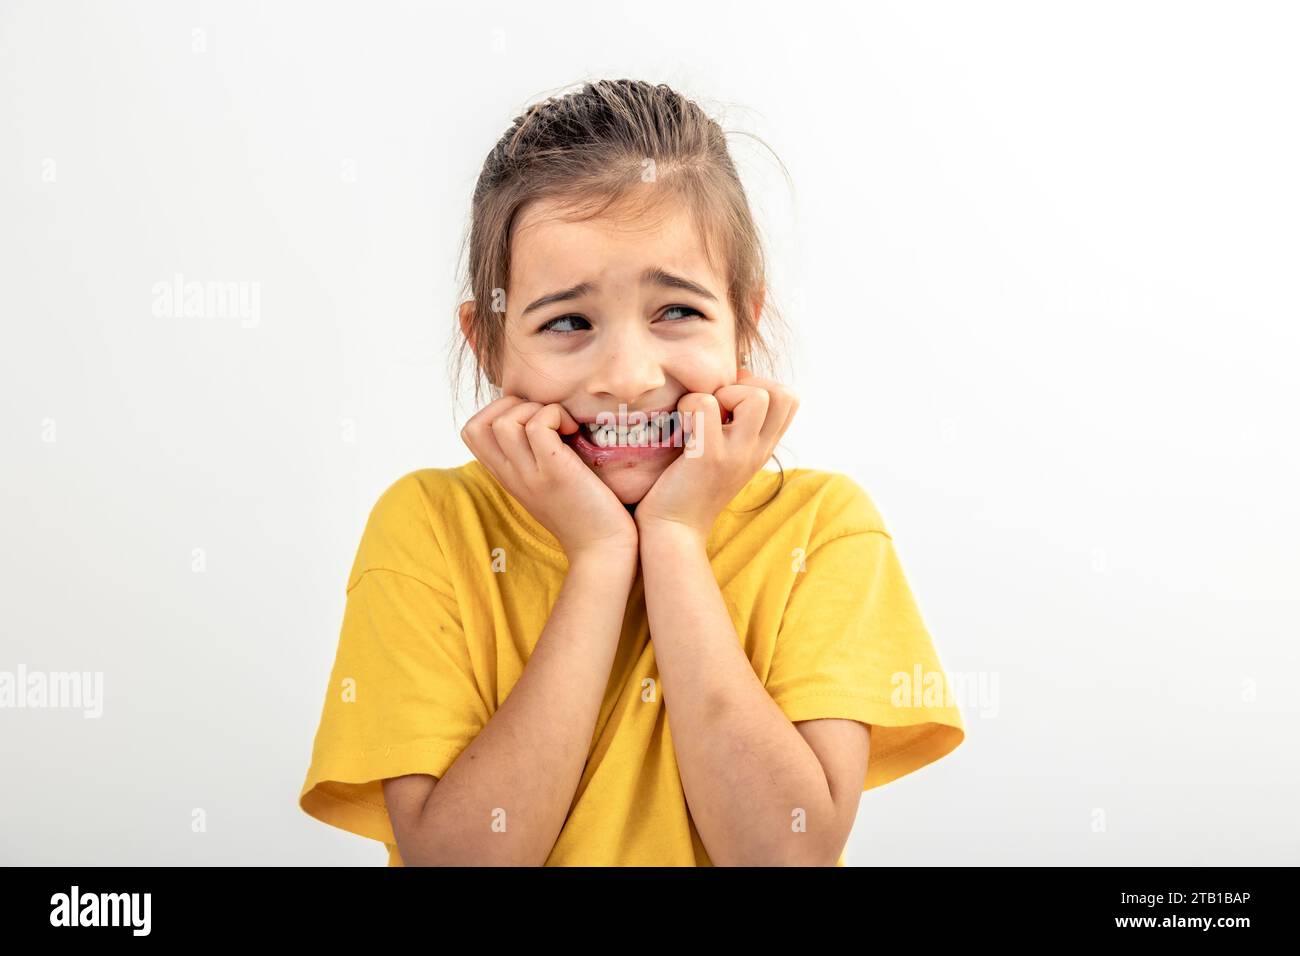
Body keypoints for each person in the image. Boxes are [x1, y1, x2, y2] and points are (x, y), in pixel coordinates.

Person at [298, 78, 965, 866]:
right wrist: (600, 556)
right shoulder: (429, 528)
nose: (626, 374)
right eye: (568, 322)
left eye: (676, 311)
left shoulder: (822, 529)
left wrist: (675, 539)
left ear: (743, 325)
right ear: (489, 347)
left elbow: (784, 855)